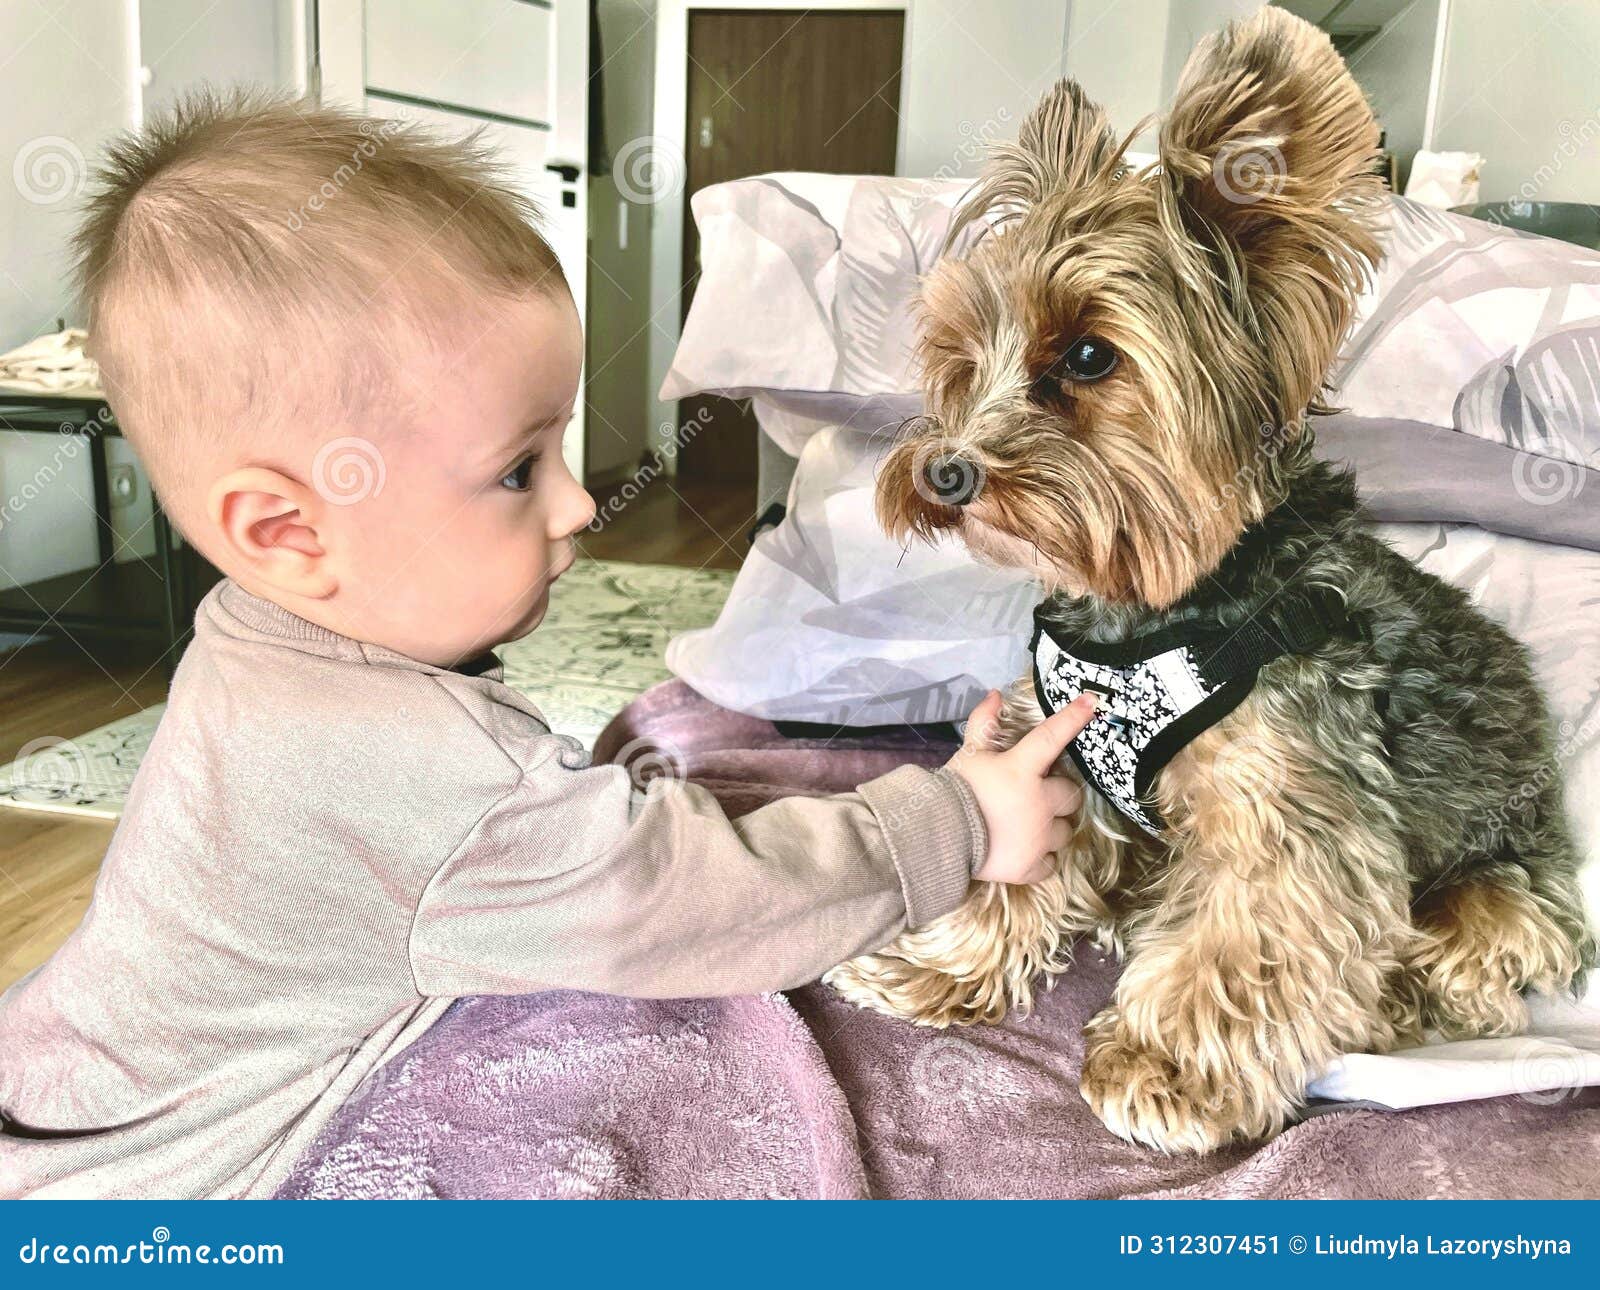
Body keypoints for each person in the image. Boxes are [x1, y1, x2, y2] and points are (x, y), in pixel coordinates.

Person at [0, 94, 1094, 1198]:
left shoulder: (249, 641)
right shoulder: (406, 773)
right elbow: (683, 901)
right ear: (288, 530)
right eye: (519, 469)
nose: (579, 504)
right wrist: (955, 819)